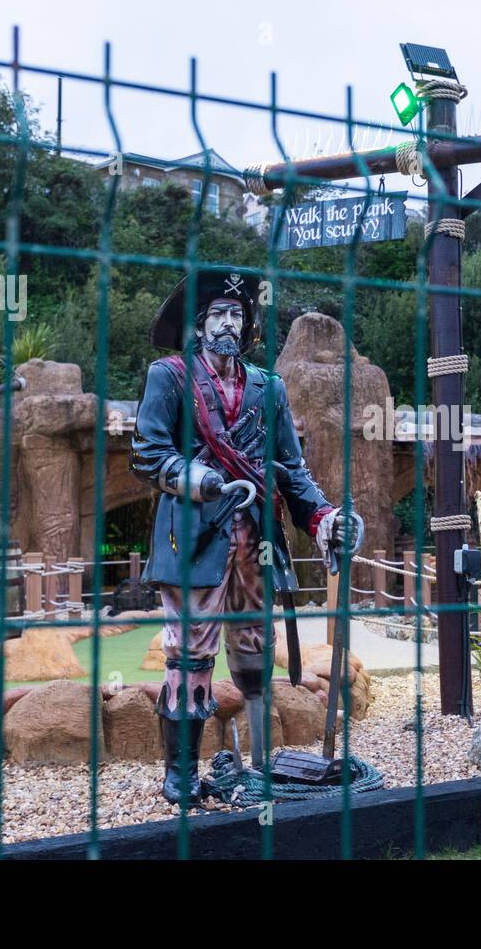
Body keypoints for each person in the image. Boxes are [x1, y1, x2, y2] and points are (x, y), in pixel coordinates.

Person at [129, 267, 363, 807]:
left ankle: (259, 763)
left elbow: (290, 469)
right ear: (198, 324)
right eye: (219, 314)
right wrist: (208, 483)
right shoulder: (168, 376)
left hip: (258, 537)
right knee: (189, 656)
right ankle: (182, 774)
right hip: (193, 539)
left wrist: (324, 518)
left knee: (256, 652)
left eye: (238, 314)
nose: (229, 323)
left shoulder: (269, 387)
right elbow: (147, 455)